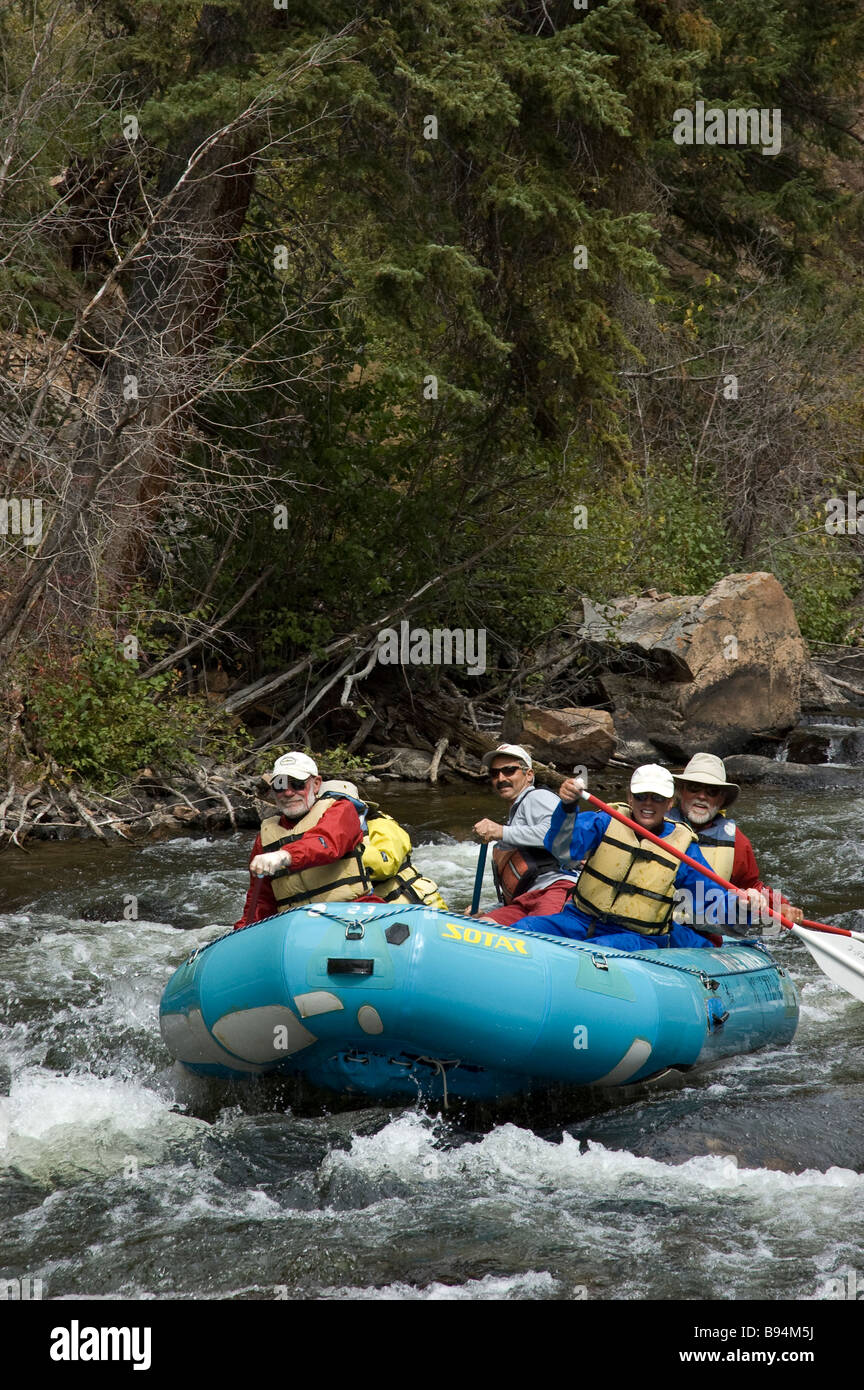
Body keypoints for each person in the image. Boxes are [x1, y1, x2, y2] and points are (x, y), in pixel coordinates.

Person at [511, 764, 770, 951]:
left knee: (599, 949)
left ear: (669, 803)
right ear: (629, 797)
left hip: (637, 935)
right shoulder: (604, 821)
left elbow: (709, 897)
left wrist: (742, 905)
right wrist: (567, 807)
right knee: (525, 929)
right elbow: (562, 849)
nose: (648, 803)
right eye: (641, 796)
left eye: (657, 798)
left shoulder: (683, 847)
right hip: (578, 919)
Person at [234, 757, 447, 929]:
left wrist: (284, 856)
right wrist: (242, 933)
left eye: (298, 784)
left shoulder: (340, 810)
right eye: (280, 784)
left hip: (352, 917)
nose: (288, 792)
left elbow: (327, 841)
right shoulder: (266, 836)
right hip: (300, 927)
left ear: (316, 784)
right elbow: (260, 900)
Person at [668, 753, 803, 926]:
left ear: (721, 799)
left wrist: (781, 906)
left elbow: (751, 887)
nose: (702, 796)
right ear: (681, 791)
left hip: (699, 930)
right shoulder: (658, 823)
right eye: (694, 788)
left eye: (712, 791)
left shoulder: (736, 842)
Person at [472, 744, 582, 924]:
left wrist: (500, 831)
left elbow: (556, 834)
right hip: (524, 900)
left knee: (538, 936)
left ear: (529, 775)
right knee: (482, 923)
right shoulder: (516, 814)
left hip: (555, 889)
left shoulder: (536, 797)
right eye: (494, 773)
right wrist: (486, 913)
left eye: (509, 770)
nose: (501, 778)